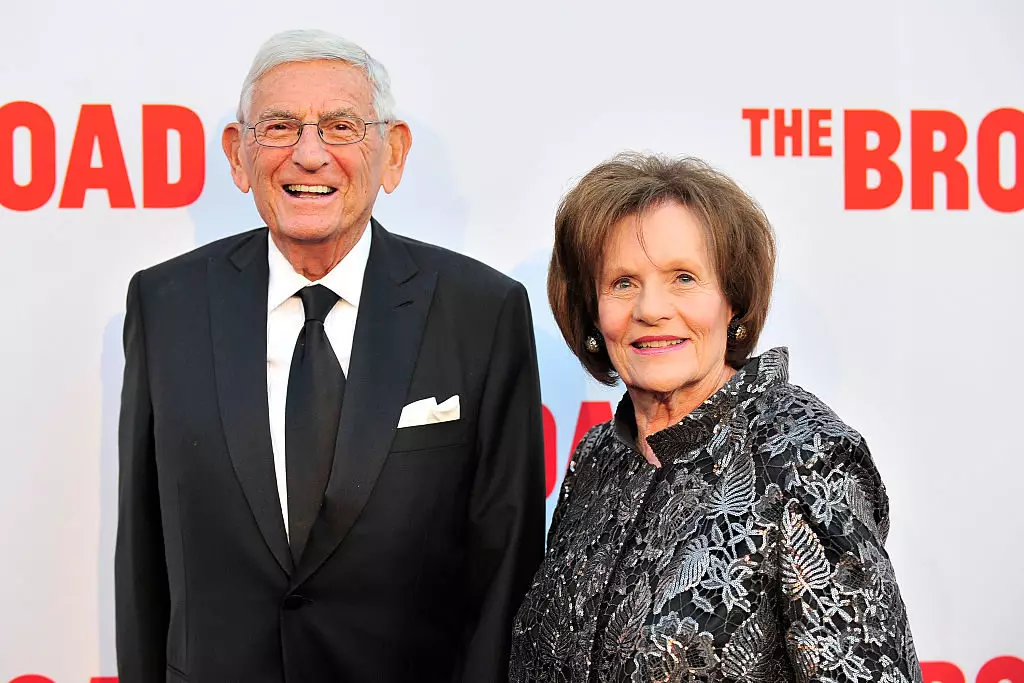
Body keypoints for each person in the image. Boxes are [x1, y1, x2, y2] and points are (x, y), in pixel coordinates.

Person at [115, 29, 545, 683]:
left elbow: (506, 572)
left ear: (393, 154)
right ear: (238, 154)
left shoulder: (481, 313)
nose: (309, 155)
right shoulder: (164, 305)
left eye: (341, 126)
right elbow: (143, 559)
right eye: (280, 126)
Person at [509, 154, 921, 682]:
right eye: (622, 283)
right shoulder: (597, 459)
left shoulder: (802, 456)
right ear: (592, 313)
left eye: (683, 278)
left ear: (734, 302)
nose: (651, 309)